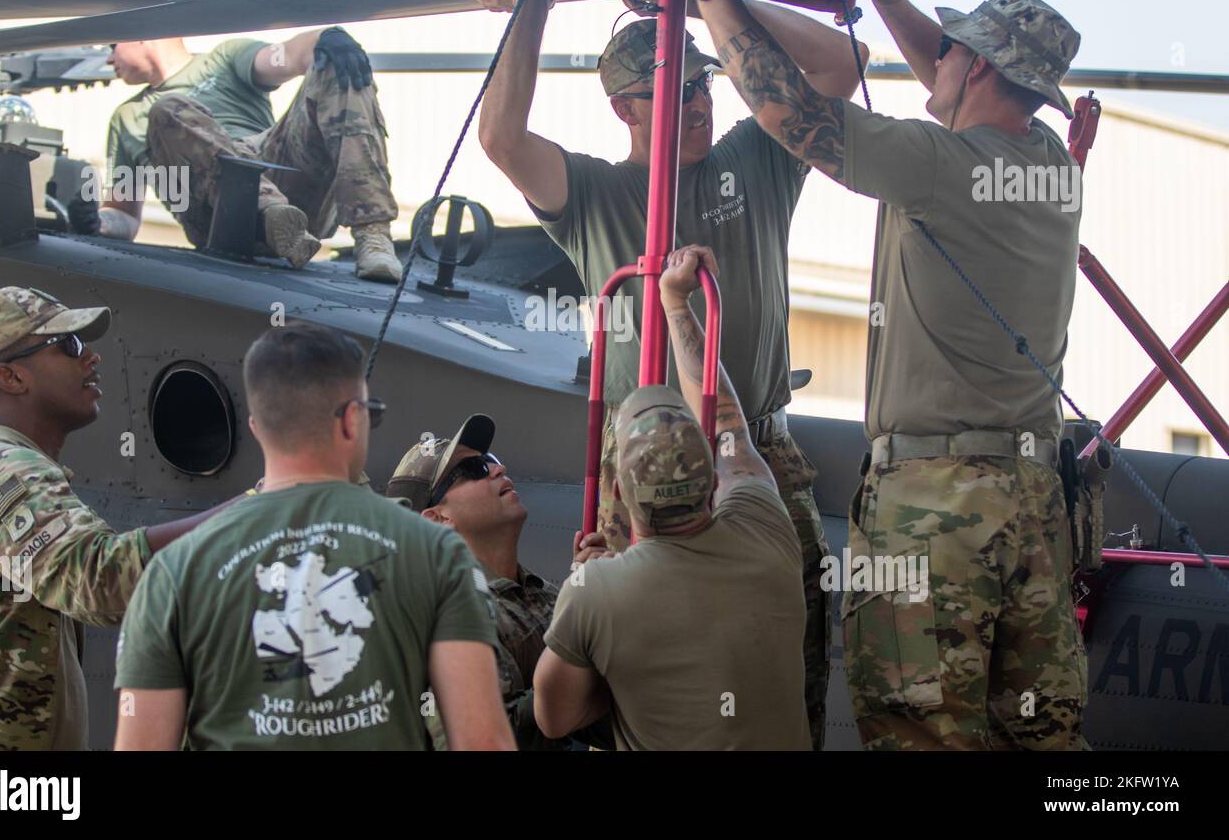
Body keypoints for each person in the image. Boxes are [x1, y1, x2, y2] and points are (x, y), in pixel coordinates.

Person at [633, 0, 1088, 749]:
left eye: (951, 52)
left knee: (919, 731)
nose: (933, 66)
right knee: (1041, 736)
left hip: (935, 507)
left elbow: (788, 111)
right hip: (1032, 500)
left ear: (979, 65)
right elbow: (959, 86)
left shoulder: (937, 166)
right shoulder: (1048, 164)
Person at [466, 0, 866, 751]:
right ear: (624, 107)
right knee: (634, 664)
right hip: (640, 461)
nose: (696, 103)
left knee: (791, 643)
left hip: (752, 443)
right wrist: (533, 7)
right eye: (673, 90)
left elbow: (839, 64)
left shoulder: (756, 157)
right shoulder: (593, 193)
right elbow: (502, 138)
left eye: (702, 84)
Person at [113, 323, 514, 750]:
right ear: (351, 421)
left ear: (256, 426)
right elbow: (483, 741)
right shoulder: (438, 554)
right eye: (370, 413)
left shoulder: (172, 573)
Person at [534, 244, 811, 750]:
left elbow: (554, 718)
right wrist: (676, 303)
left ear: (619, 493)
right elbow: (730, 425)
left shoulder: (595, 593)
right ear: (713, 482)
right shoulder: (767, 524)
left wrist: (598, 618)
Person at [0, 286, 219, 749]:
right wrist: (253, 512)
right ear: (10, 377)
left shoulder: (0, 463)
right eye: (70, 346)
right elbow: (98, 580)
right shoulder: (6, 468)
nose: (92, 358)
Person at [87, 28, 402, 281]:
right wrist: (96, 221)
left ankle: (373, 235)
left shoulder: (225, 58)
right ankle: (269, 214)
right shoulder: (127, 117)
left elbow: (289, 56)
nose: (108, 59)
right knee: (167, 109)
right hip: (217, 218)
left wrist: (325, 40)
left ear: (142, 33)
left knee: (338, 64)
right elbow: (125, 215)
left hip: (282, 182)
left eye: (111, 45)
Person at [386, 415, 612, 750]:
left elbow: (607, 724)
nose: (498, 468)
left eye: (490, 460)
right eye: (474, 469)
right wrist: (577, 622)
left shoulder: (546, 596)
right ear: (437, 519)